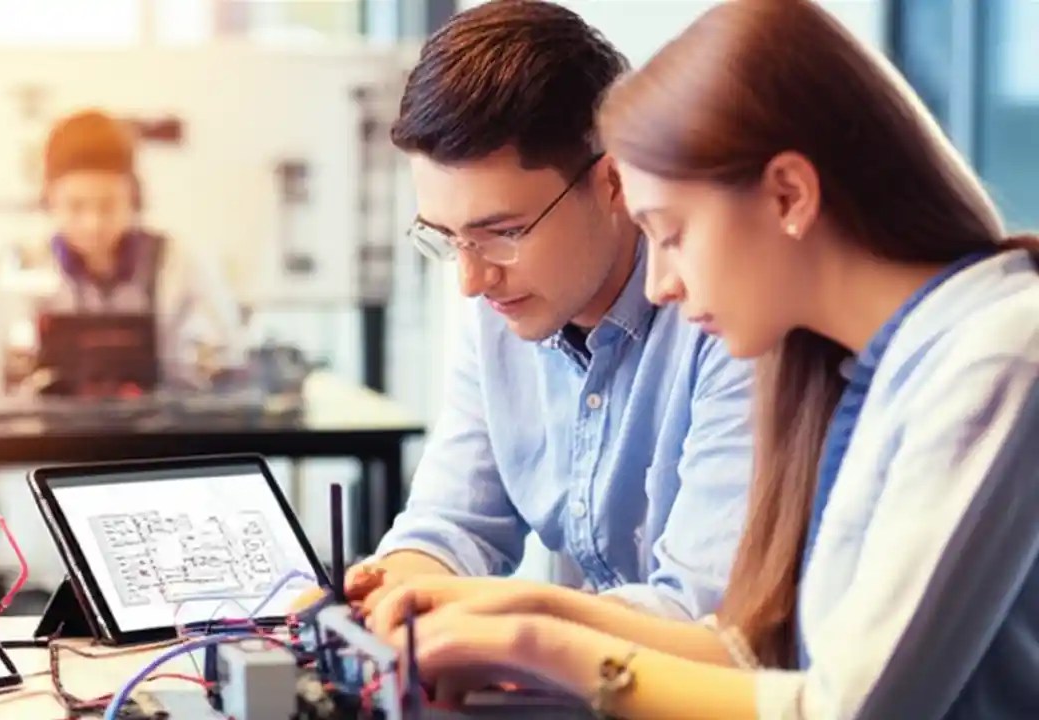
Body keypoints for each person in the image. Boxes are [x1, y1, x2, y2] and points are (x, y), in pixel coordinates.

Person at [370, 1, 1039, 717]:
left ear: (788, 195)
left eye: (671, 233)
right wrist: (488, 609)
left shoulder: (995, 355)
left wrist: (534, 639)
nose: (659, 283)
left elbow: (842, 706)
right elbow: (752, 654)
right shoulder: (863, 366)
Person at [308, 0, 756, 622]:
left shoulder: (727, 317)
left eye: (502, 233)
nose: (471, 279)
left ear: (614, 183)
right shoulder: (501, 305)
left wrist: (498, 624)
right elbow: (452, 522)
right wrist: (391, 592)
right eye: (446, 237)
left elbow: (705, 611)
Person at [35, 109, 245, 389]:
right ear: (50, 200)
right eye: (76, 206)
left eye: (108, 205)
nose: (93, 223)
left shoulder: (180, 263)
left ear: (134, 196)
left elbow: (227, 357)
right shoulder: (28, 269)